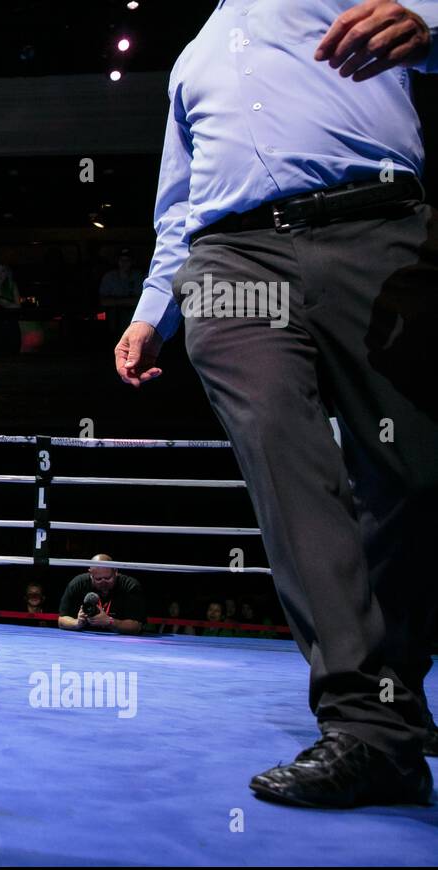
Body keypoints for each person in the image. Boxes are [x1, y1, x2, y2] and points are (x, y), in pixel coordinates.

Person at [114, 0, 438, 807]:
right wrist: (153, 313)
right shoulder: (192, 58)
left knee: (415, 474)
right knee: (290, 477)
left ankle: (391, 704)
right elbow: (177, 208)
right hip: (230, 263)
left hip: (380, 230)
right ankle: (365, 725)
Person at [55, 555, 146, 635]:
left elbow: (136, 626)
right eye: (98, 579)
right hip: (85, 639)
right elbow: (62, 620)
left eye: (107, 578)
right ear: (91, 574)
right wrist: (77, 623)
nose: (103, 582)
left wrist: (109, 622)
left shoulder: (130, 586)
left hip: (120, 641)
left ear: (115, 571)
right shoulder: (78, 584)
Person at [98, 248, 145, 337]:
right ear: (118, 261)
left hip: (133, 318)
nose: (124, 263)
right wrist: (126, 301)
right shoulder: (109, 277)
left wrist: (116, 301)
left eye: (127, 260)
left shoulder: (138, 276)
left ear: (132, 262)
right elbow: (103, 301)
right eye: (121, 260)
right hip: (113, 317)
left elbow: (140, 301)